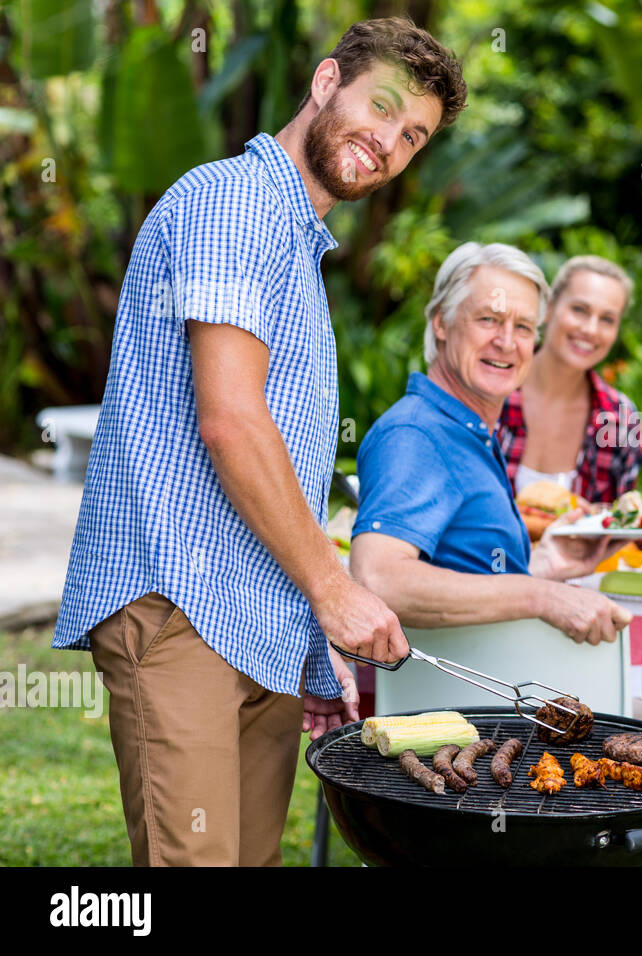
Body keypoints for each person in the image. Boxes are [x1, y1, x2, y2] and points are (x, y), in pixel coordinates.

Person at [52, 18, 467, 866]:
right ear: (325, 83)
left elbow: (273, 447)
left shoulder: (294, 241)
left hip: (258, 622)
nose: (388, 142)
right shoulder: (235, 203)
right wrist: (336, 592)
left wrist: (307, 641)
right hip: (180, 610)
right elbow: (231, 419)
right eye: (380, 107)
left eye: (412, 134)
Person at [349, 242, 642, 866]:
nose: (508, 341)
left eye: (523, 326)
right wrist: (542, 594)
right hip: (514, 712)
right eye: (489, 319)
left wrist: (553, 562)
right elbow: (379, 578)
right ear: (441, 322)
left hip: (512, 702)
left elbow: (466, 571)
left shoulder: (466, 428)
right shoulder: (418, 434)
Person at [497, 255, 642, 502]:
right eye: (579, 310)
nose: (590, 329)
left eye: (607, 319)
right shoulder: (492, 388)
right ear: (548, 308)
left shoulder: (621, 419)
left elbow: (618, 527)